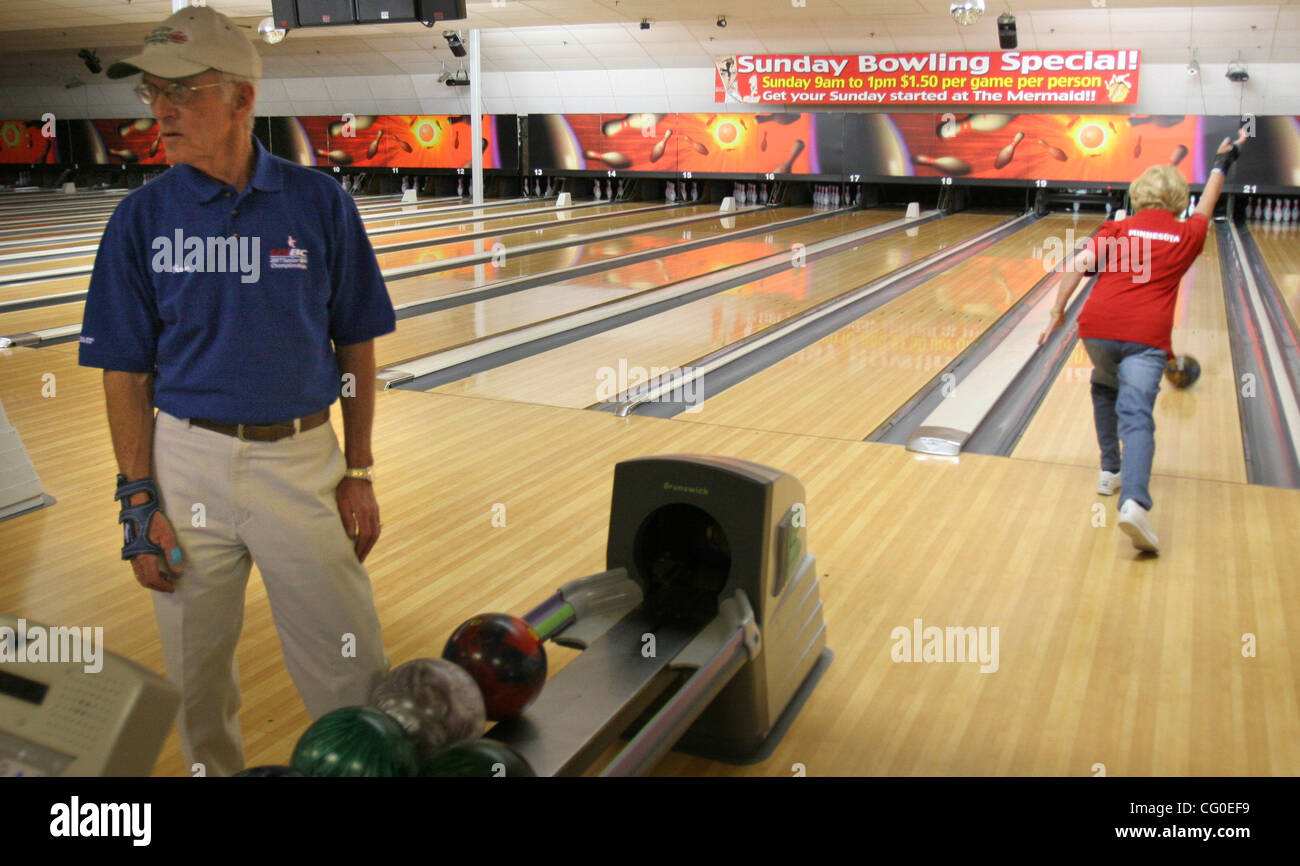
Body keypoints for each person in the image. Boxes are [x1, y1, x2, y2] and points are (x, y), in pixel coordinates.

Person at [78, 5, 395, 776]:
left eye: (182, 93)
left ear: (243, 99)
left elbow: (355, 339)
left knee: (350, 667)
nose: (162, 111)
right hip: (183, 461)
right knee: (194, 679)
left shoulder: (320, 204)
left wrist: (358, 468)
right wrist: (136, 495)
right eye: (152, 92)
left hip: (300, 459)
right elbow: (125, 368)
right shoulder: (139, 218)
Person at [1039, 130, 1248, 554]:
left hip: (1095, 328)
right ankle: (1133, 502)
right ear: (1177, 202)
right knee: (1137, 416)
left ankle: (1108, 470)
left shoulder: (1115, 228)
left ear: (1137, 197)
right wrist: (1224, 160)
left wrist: (1055, 314)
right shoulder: (1189, 234)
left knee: (1103, 384)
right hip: (1145, 339)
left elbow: (1077, 266)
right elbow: (1209, 200)